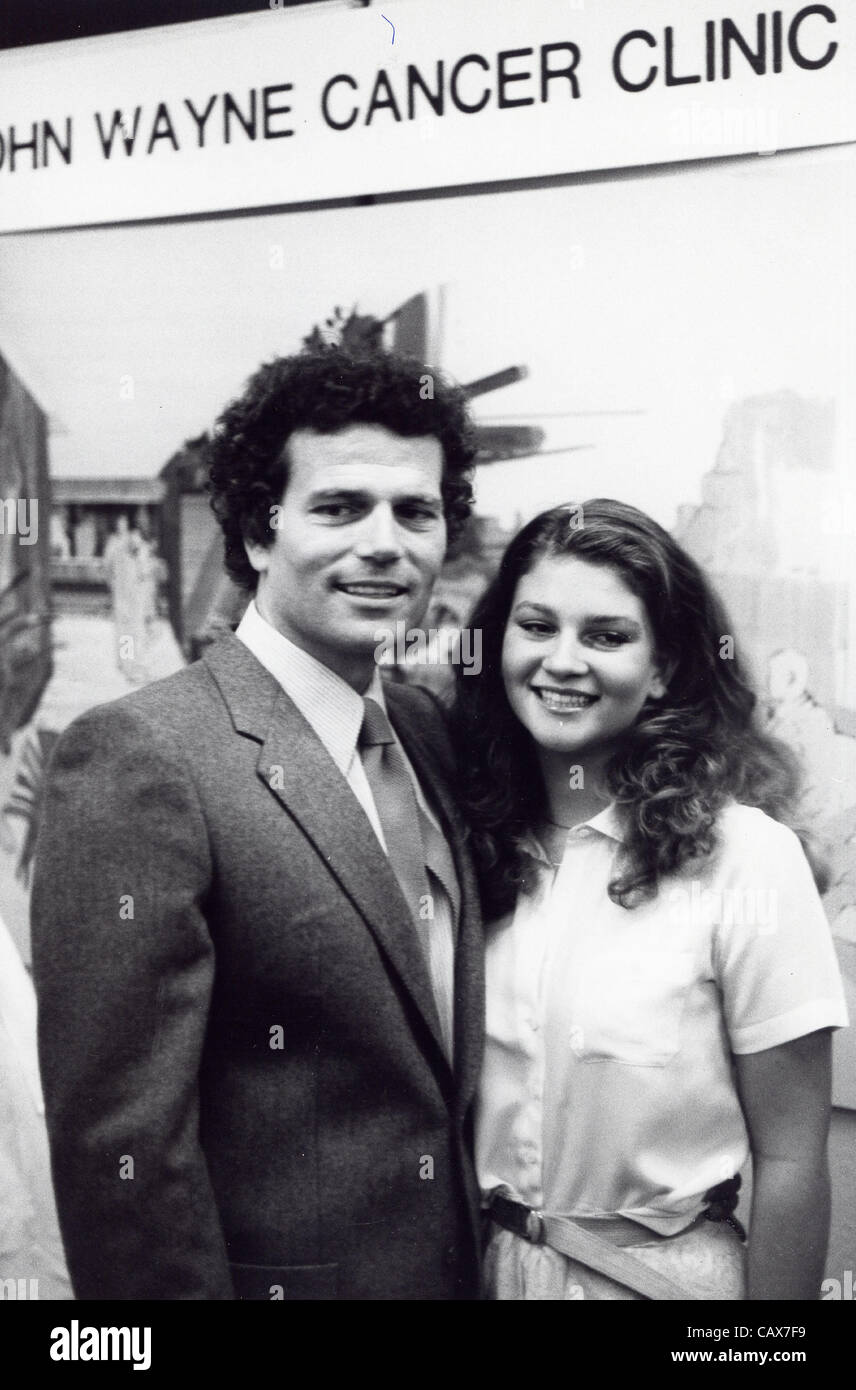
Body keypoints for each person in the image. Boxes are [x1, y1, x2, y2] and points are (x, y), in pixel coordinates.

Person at [31, 347, 485, 1301]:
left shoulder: (428, 739)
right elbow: (124, 1157)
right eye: (338, 507)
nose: (383, 543)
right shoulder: (143, 759)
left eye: (416, 511)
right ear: (255, 533)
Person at [451, 498, 847, 1301]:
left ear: (663, 667)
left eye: (607, 635)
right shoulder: (466, 840)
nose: (563, 661)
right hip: (482, 1274)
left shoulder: (746, 860)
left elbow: (794, 1159)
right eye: (537, 627)